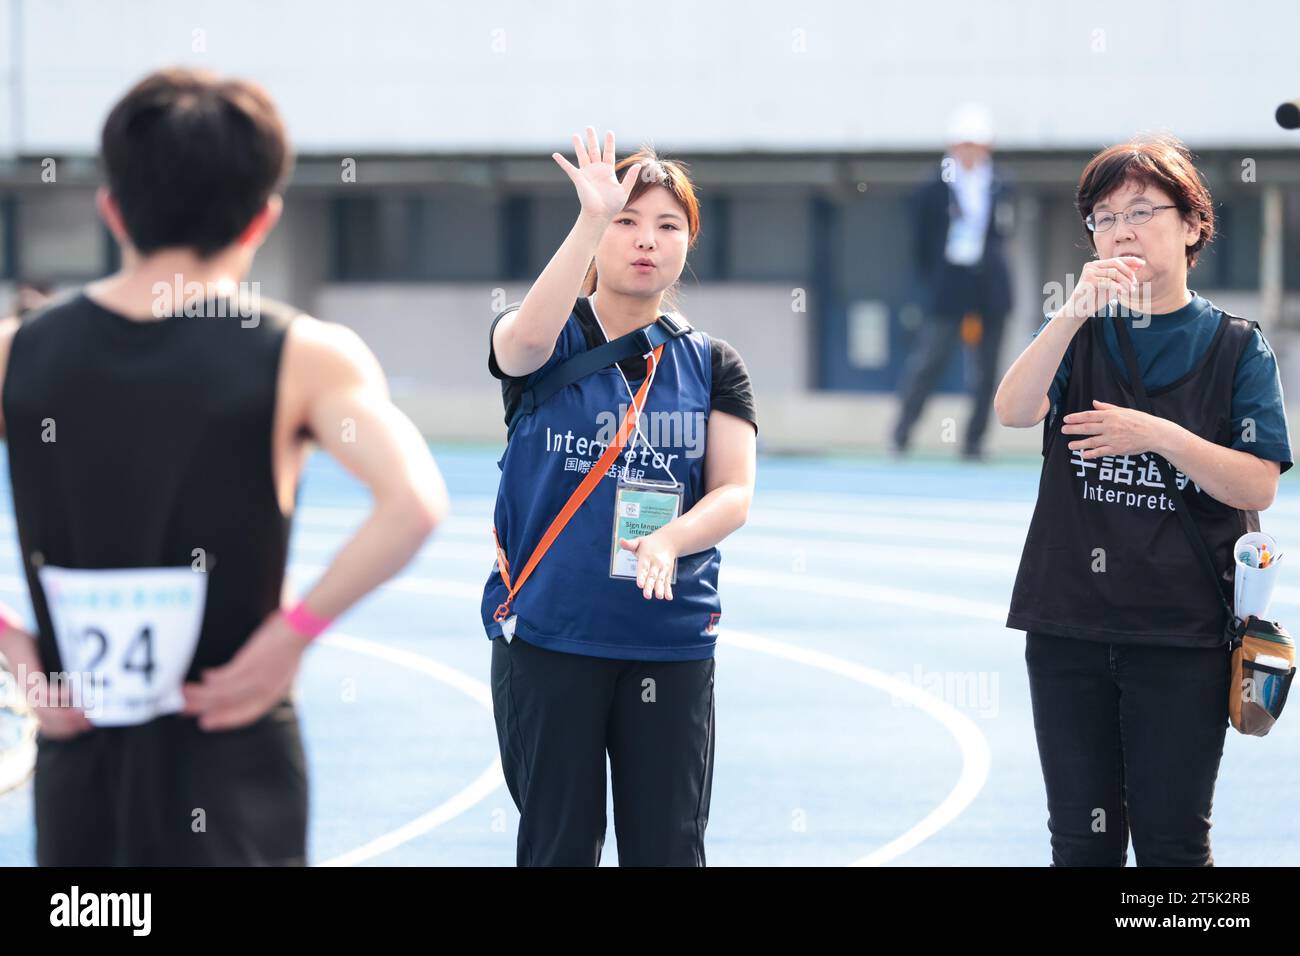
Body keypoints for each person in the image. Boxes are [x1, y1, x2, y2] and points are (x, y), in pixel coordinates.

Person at [0, 67, 448, 866]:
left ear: (112, 207)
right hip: (234, 749)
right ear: (262, 218)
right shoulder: (303, 356)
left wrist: (14, 647)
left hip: (81, 754)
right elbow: (412, 503)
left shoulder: (17, 351)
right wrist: (291, 637)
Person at [996, 135, 1292, 866]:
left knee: (1172, 844)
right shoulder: (1083, 333)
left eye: (1140, 211)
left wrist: (1155, 434)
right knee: (1081, 841)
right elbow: (1012, 408)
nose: (1119, 230)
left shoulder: (1235, 347)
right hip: (1068, 626)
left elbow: (1258, 482)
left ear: (1193, 225)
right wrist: (1070, 312)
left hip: (1181, 633)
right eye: (1102, 217)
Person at [483, 128, 757, 866]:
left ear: (687, 244)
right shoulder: (552, 336)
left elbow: (733, 491)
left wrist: (670, 540)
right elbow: (517, 349)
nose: (646, 241)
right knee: (558, 846)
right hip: (551, 637)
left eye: (668, 226)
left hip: (668, 641)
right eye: (626, 223)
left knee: (667, 849)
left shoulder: (711, 362)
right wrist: (588, 216)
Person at [893, 103, 1016, 460]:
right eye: (963, 144)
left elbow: (1004, 233)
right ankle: (901, 433)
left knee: (988, 367)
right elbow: (919, 244)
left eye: (975, 144)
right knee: (930, 359)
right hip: (948, 285)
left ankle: (974, 442)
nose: (969, 152)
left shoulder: (1002, 183)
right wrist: (934, 279)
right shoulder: (931, 187)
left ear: (987, 146)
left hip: (990, 285)